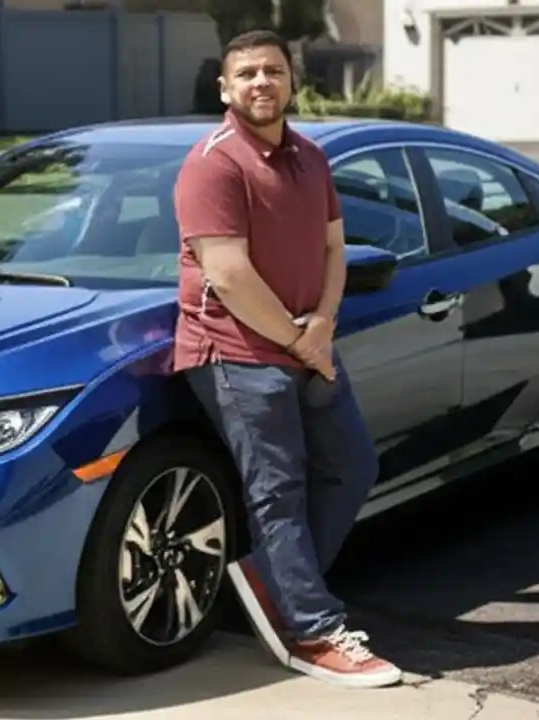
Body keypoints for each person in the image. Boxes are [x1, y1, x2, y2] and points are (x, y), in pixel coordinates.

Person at [171, 28, 401, 688]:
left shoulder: (309, 157)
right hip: (235, 352)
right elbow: (230, 274)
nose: (261, 83)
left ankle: (271, 586)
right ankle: (312, 632)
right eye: (246, 74)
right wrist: (302, 342)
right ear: (225, 87)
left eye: (272, 70)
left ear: (292, 79)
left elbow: (335, 249)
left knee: (353, 464)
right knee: (278, 492)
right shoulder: (212, 163)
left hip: (304, 341)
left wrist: (324, 323)